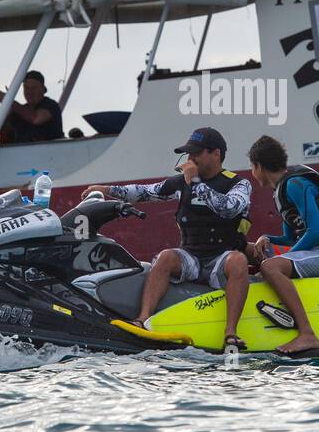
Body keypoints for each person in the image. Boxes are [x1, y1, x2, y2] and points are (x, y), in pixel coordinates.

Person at [80, 127, 252, 350]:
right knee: (165, 257)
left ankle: (230, 332)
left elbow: (229, 209)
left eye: (197, 153)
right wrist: (107, 189)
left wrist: (197, 183)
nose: (190, 159)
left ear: (216, 154)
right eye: (189, 154)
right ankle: (142, 320)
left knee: (238, 260)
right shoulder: (182, 182)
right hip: (191, 256)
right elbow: (145, 192)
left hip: (221, 258)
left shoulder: (238, 183)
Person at [247, 135, 319, 354]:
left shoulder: (295, 184)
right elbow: (291, 239)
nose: (251, 172)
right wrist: (265, 238)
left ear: (259, 166)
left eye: (251, 166)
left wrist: (280, 261)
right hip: (313, 251)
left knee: (270, 267)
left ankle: (307, 334)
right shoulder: (281, 191)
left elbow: (317, 232)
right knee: (250, 251)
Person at [0, 69, 63, 143]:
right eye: (26, 88)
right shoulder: (19, 110)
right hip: (22, 153)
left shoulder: (50, 105)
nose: (30, 92)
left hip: (51, 153)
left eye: (34, 88)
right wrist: (7, 108)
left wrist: (9, 101)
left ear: (43, 89)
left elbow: (36, 119)